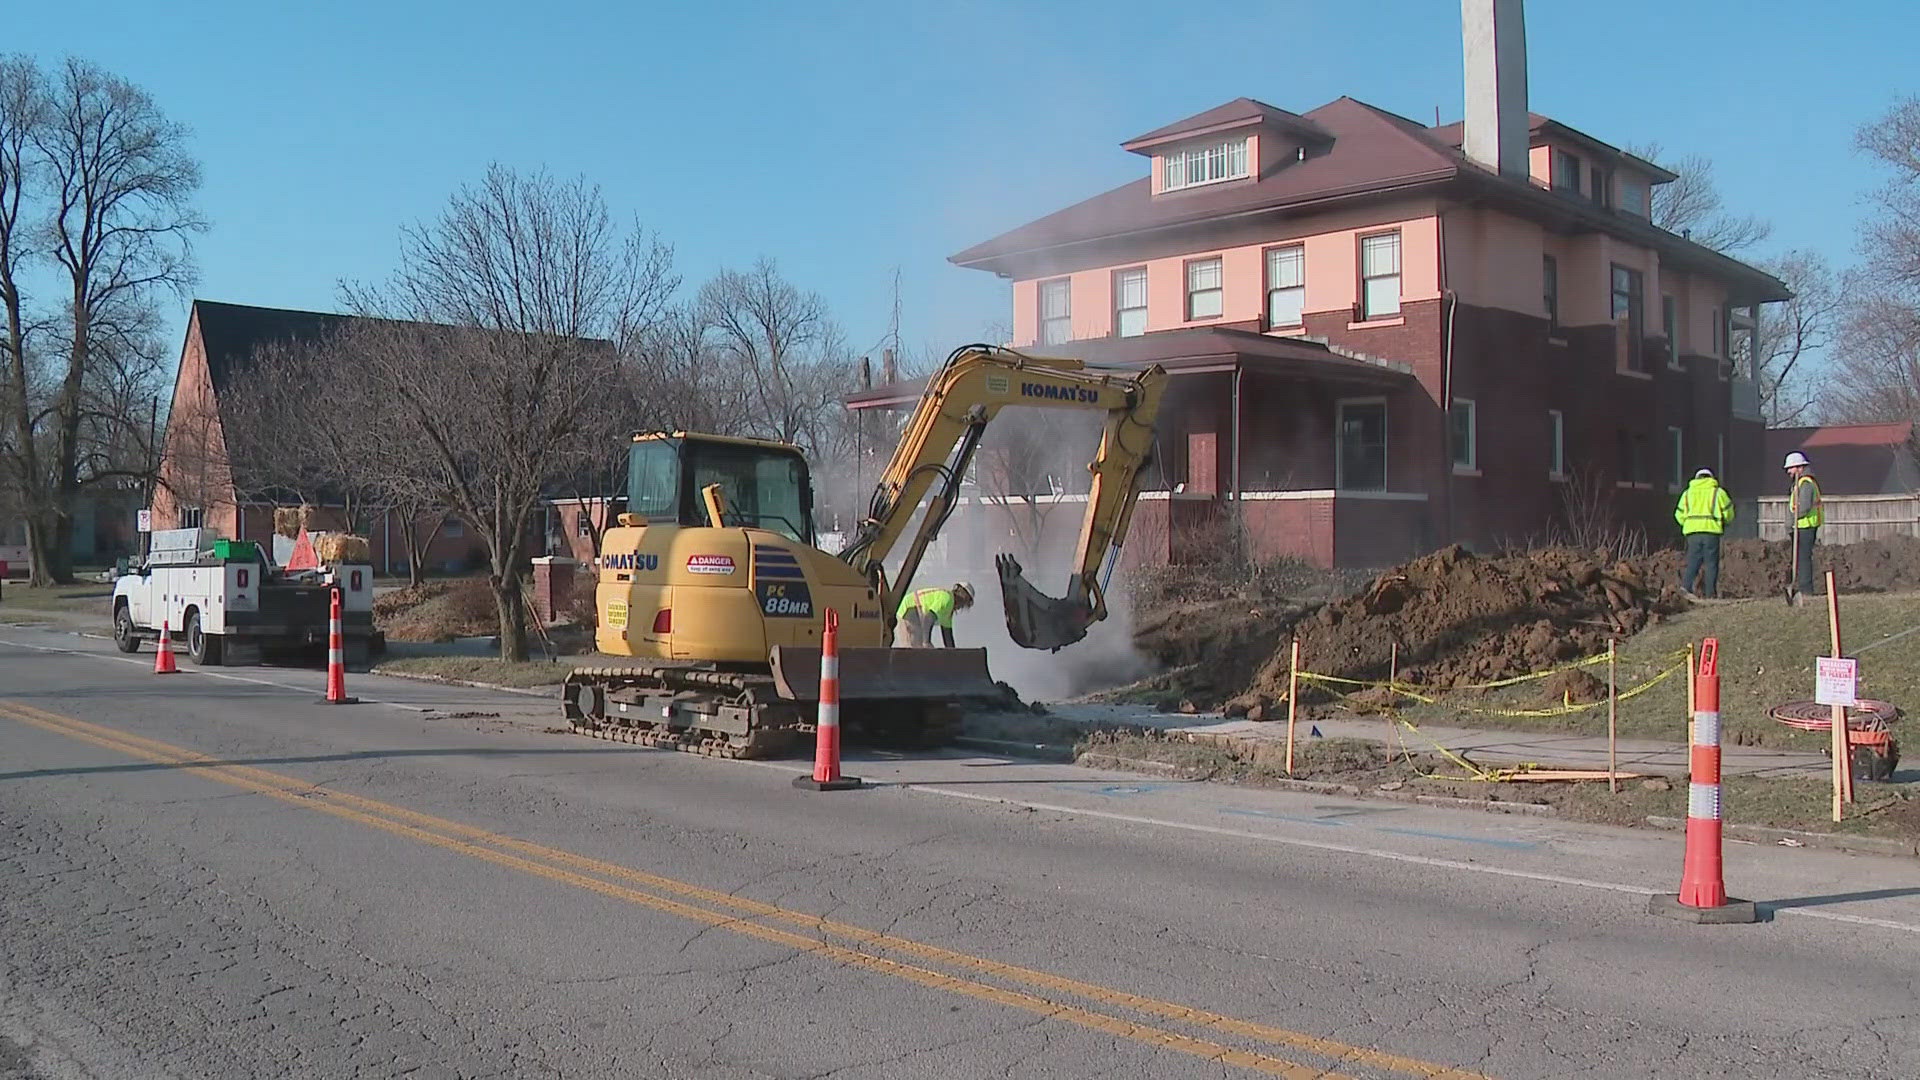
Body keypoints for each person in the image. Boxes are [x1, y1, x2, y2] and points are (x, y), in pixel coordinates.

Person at [1674, 468, 1735, 597]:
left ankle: (1686, 587)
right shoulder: (1718, 493)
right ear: (1711, 478)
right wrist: (1725, 522)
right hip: (1711, 532)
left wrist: (1688, 524)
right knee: (1711, 563)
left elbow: (1678, 515)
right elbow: (1729, 513)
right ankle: (1710, 594)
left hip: (1692, 534)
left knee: (1693, 561)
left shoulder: (1687, 494)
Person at [1784, 451, 1822, 603]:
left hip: (1806, 526)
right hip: (1799, 526)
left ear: (1799, 467)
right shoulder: (1798, 483)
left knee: (1803, 559)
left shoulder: (1806, 484)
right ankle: (1801, 586)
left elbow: (1804, 507)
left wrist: (1793, 518)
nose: (1788, 471)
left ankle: (1806, 589)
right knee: (1800, 558)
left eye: (1791, 468)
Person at [896, 582, 975, 648]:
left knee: (919, 649)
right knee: (914, 647)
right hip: (910, 608)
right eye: (965, 603)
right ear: (963, 596)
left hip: (915, 612)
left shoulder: (948, 612)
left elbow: (948, 638)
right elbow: (928, 618)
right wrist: (926, 642)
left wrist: (954, 655)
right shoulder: (947, 599)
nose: (962, 607)